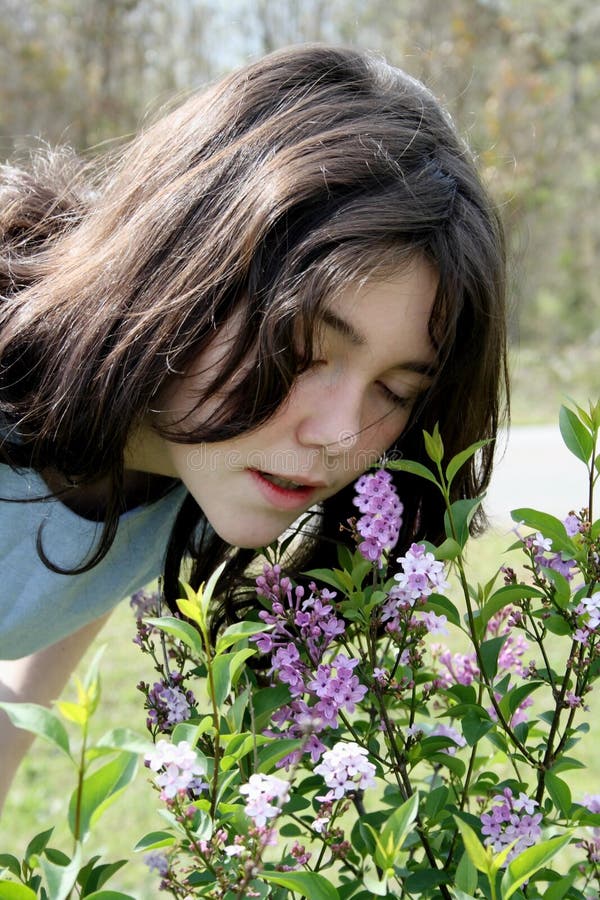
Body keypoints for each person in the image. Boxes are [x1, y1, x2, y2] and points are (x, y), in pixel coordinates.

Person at [0, 44, 508, 808]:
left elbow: (45, 628)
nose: (341, 434)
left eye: (397, 390)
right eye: (304, 350)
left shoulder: (187, 466)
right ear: (182, 263)